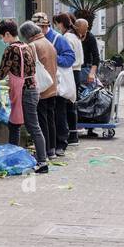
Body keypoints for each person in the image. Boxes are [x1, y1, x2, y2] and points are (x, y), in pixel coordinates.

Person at [0, 19, 49, 172]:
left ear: (7, 34)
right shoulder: (26, 46)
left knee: (32, 126)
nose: (1, 40)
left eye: (1, 37)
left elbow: (0, 74)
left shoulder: (12, 49)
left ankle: (43, 163)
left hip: (25, 91)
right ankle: (13, 155)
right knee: (14, 124)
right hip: (30, 89)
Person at [34, 11, 77, 154]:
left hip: (57, 84)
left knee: (59, 114)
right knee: (48, 116)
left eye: (41, 27)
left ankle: (61, 143)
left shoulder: (58, 39)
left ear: (46, 26)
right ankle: (50, 146)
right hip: (44, 83)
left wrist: (52, 58)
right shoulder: (36, 40)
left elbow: (70, 58)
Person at [25, 20, 62, 159]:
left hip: (41, 88)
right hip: (52, 86)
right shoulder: (48, 43)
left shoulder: (33, 45)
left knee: (42, 121)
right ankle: (51, 149)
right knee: (50, 118)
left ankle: (44, 151)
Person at [57, 12, 85, 144]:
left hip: (70, 72)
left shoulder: (67, 37)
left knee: (65, 104)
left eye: (57, 24)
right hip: (77, 72)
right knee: (72, 103)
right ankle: (73, 135)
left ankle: (69, 135)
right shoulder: (76, 36)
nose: (57, 27)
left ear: (61, 23)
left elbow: (68, 58)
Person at [73, 17, 100, 88]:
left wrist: (92, 73)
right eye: (81, 31)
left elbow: (96, 57)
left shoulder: (90, 37)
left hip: (86, 68)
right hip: (74, 69)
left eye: (85, 30)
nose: (83, 33)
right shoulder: (72, 37)